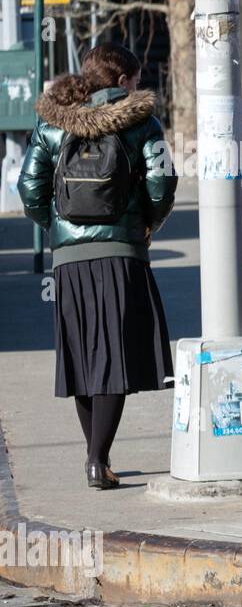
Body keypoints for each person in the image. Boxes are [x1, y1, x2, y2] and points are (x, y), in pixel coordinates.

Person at [19, 42, 176, 489]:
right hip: (121, 255)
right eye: (136, 79)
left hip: (69, 262)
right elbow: (162, 185)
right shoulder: (142, 123)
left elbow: (29, 187)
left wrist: (57, 226)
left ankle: (96, 458)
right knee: (116, 357)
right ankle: (96, 459)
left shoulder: (52, 123)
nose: (139, 86)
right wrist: (149, 224)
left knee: (83, 358)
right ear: (123, 81)